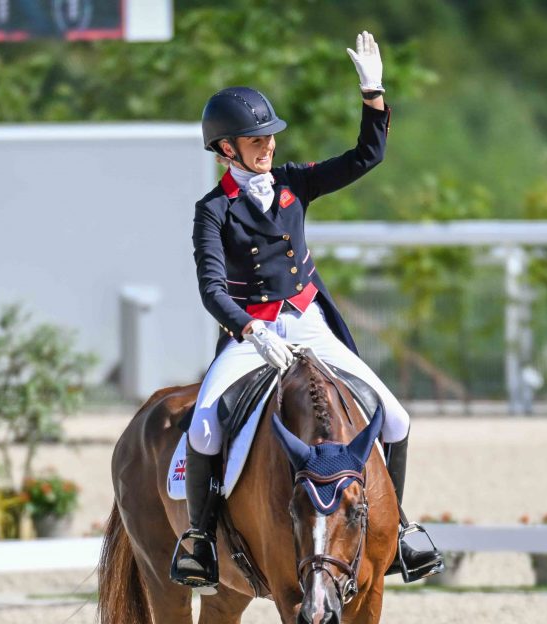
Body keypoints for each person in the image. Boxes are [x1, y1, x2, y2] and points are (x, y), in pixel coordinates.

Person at [171, 32, 442, 591]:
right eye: (255, 139)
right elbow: (211, 287)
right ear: (227, 148)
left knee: (395, 418)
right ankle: (200, 537)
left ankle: (396, 530)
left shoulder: (295, 184)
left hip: (309, 320)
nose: (267, 146)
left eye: (269, 136)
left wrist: (374, 94)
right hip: (253, 332)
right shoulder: (213, 211)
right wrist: (248, 329)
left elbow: (367, 156)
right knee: (202, 429)